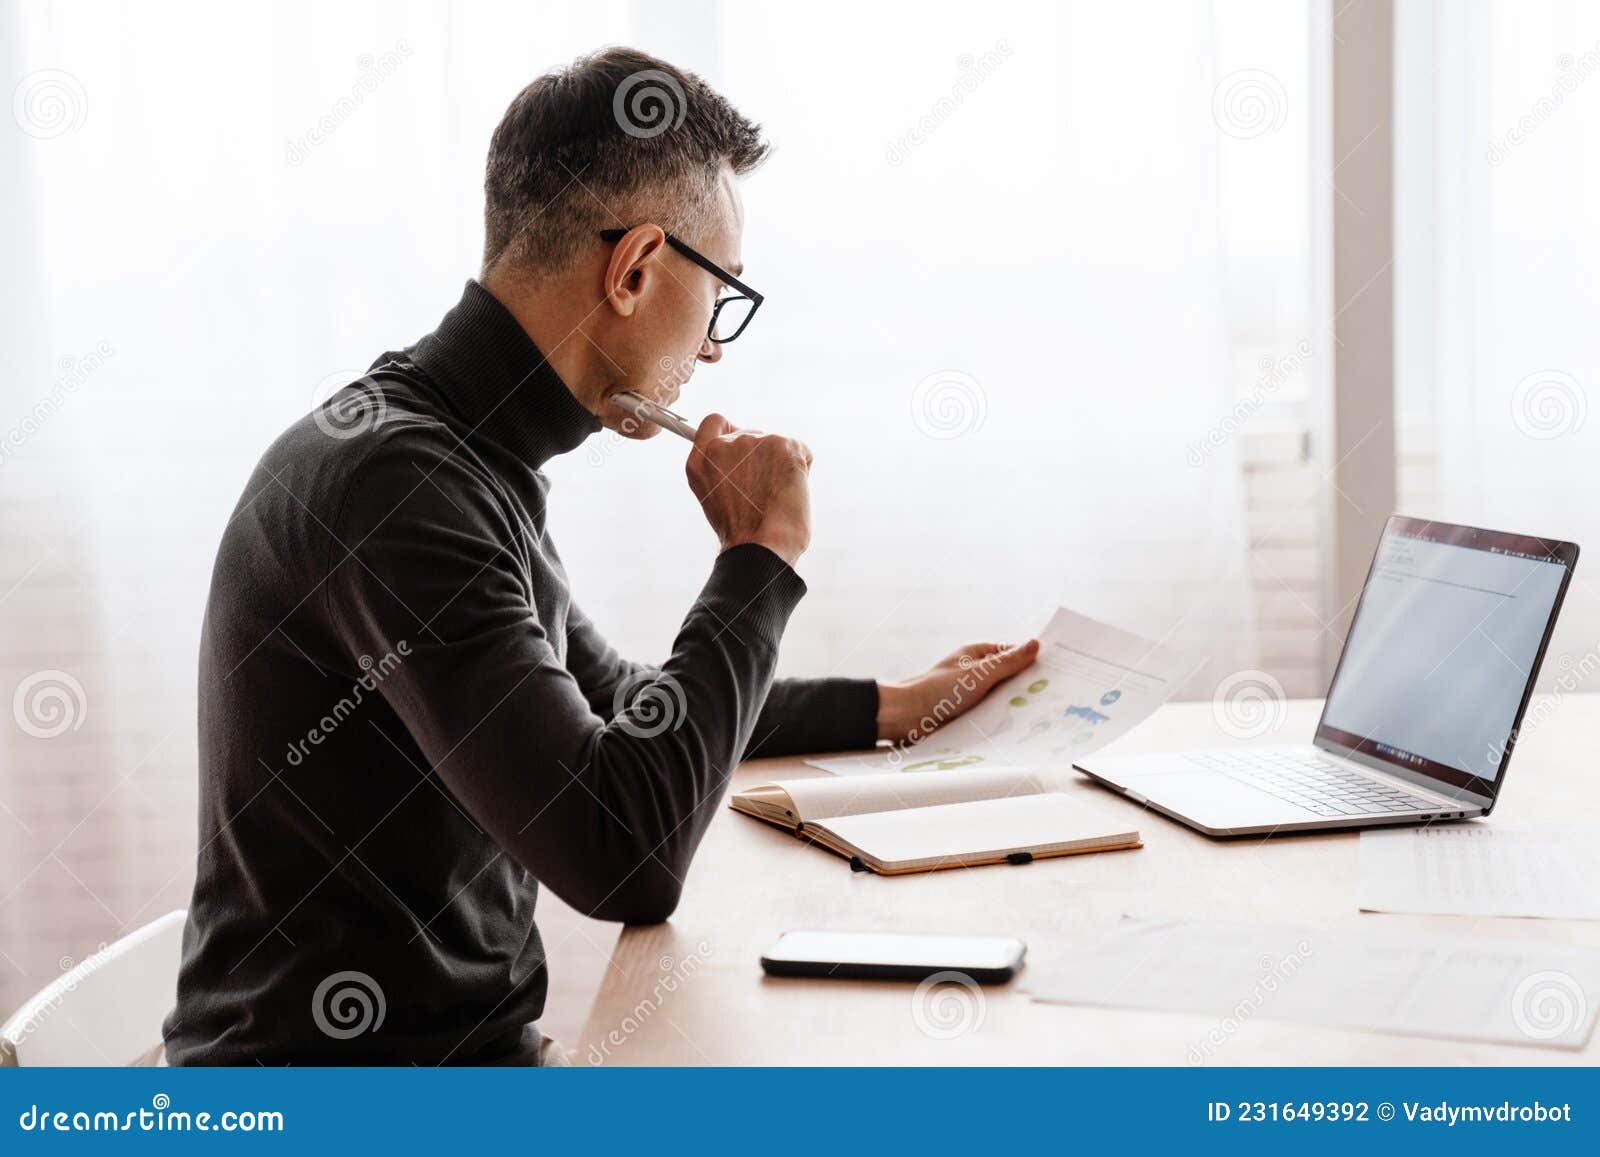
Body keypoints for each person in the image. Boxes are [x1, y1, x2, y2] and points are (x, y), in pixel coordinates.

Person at [164, 46, 1039, 1066]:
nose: (714, 349)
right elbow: (623, 852)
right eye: (723, 297)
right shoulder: (397, 487)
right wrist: (762, 555)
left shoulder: (455, 451)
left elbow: (624, 702)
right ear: (634, 268)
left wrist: (889, 704)